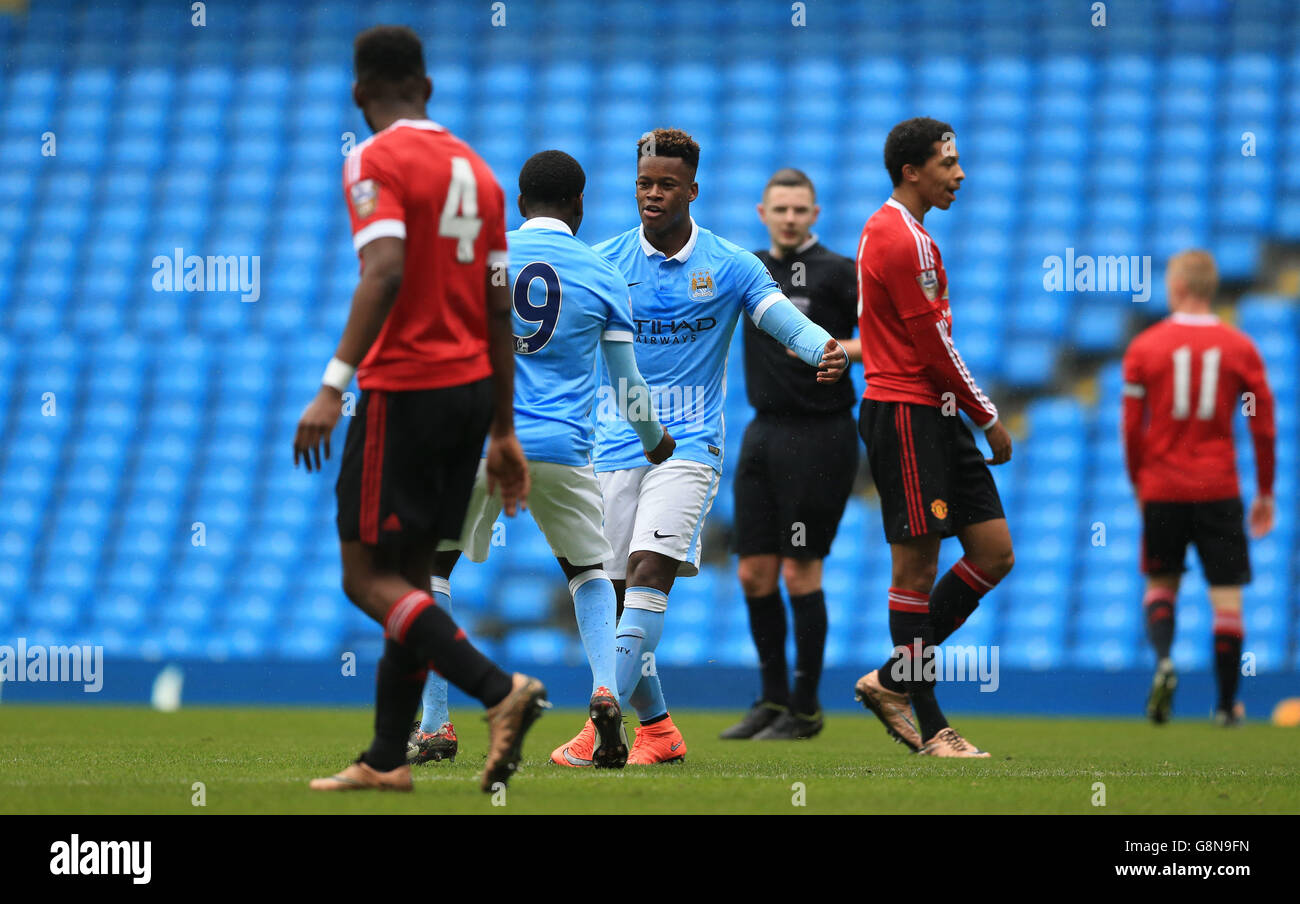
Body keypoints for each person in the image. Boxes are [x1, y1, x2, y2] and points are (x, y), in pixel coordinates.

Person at [293, 25, 546, 793]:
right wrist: (502, 429)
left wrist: (334, 385)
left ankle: (498, 690)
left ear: (359, 94)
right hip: (472, 393)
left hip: (404, 388)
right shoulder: (481, 171)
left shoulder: (374, 158)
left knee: (363, 575)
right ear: (428, 88)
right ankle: (385, 758)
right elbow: (500, 308)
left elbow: (386, 268)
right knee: (408, 573)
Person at [548, 128, 848, 766]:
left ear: (692, 190)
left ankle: (598, 725)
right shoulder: (605, 264)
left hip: (688, 447)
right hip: (612, 445)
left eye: (665, 185)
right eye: (643, 184)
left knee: (652, 574)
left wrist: (819, 345)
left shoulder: (731, 263)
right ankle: (657, 728)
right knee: (620, 594)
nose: (652, 195)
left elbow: (775, 313)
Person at [406, 150, 674, 771]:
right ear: (579, 205)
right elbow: (627, 383)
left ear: (519, 204)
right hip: (562, 448)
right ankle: (605, 689)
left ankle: (437, 724)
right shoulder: (604, 273)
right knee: (588, 571)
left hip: (476, 441)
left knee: (432, 569)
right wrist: (655, 439)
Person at [852, 117, 1014, 758]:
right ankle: (930, 721)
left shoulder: (900, 233)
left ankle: (891, 680)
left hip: (933, 415)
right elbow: (932, 345)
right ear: (911, 171)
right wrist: (988, 414)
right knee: (915, 569)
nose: (960, 173)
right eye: (948, 163)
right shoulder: (900, 238)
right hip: (907, 413)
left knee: (995, 553)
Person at [722, 168, 862, 741]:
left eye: (800, 209)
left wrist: (832, 348)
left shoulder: (840, 272)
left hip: (821, 432)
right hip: (763, 431)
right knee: (754, 573)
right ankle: (772, 700)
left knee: (801, 570)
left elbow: (883, 339)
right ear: (763, 213)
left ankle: (805, 707)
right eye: (780, 209)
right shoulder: (748, 268)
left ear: (815, 214)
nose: (789, 218)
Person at [1122, 249, 1275, 726]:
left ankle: (1165, 660)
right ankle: (1227, 705)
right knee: (1226, 595)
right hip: (1219, 487)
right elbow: (1261, 424)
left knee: (1162, 581)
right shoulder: (1240, 348)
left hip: (1163, 486)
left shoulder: (1145, 347)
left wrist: (1138, 481)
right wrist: (1265, 490)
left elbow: (1131, 429)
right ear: (1209, 287)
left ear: (1179, 286)